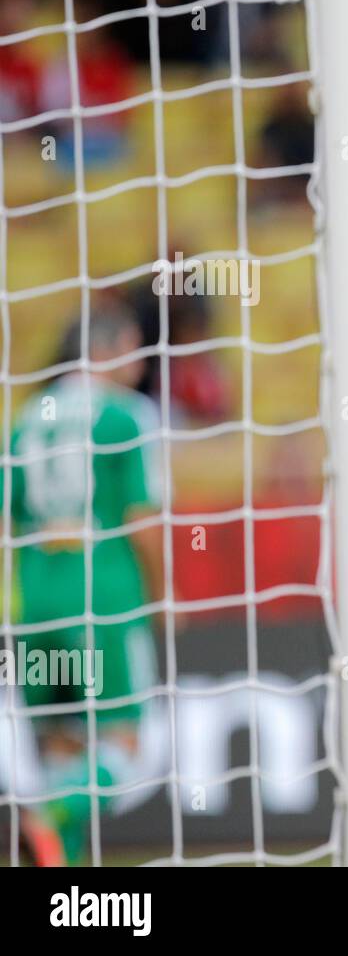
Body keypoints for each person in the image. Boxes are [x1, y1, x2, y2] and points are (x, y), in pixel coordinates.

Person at [6, 301, 163, 864]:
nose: (142, 363)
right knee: (128, 749)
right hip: (105, 599)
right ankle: (51, 811)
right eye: (135, 347)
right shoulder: (125, 414)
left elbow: (11, 515)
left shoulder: (25, 417)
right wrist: (165, 593)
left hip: (36, 605)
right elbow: (141, 516)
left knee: (59, 749)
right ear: (110, 348)